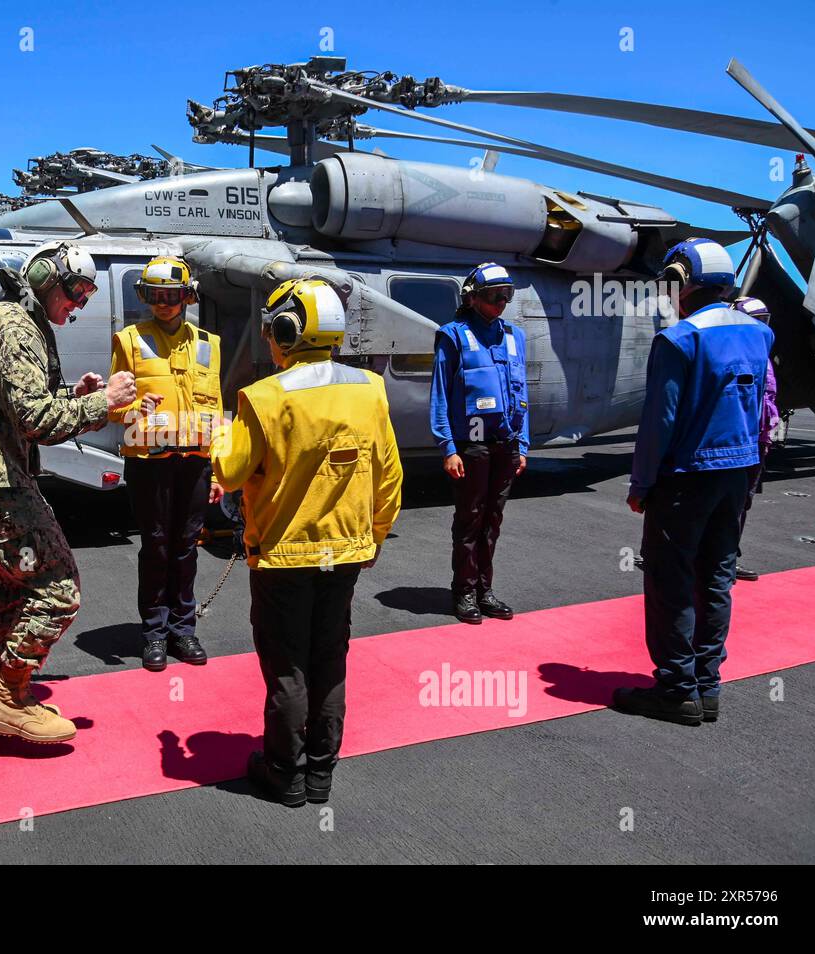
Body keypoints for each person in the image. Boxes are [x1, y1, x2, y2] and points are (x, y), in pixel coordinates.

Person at [212, 278, 402, 806]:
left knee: (287, 667)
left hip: (282, 557)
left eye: (273, 331)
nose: (270, 340)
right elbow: (388, 476)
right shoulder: (370, 389)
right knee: (329, 659)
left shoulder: (264, 397)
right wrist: (375, 535)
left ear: (290, 332)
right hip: (346, 553)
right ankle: (321, 771)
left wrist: (222, 430)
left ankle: (283, 772)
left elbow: (229, 473)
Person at [0, 242, 136, 744]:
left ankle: (0, 695)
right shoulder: (14, 326)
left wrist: (78, 395)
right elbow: (36, 420)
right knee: (56, 588)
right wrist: (104, 405)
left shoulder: (13, 321)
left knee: (10, 591)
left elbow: (20, 400)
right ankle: (9, 697)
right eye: (76, 293)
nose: (80, 305)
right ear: (47, 279)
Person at [616, 239, 773, 726]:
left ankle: (676, 690)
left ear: (684, 282)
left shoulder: (679, 339)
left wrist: (641, 484)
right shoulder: (758, 333)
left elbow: (658, 422)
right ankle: (707, 686)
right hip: (738, 475)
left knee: (671, 582)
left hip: (686, 479)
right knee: (717, 579)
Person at [109, 256, 222, 671]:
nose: (163, 303)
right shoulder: (129, 340)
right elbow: (113, 408)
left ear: (186, 297)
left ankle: (183, 630)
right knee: (156, 545)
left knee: (186, 547)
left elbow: (218, 409)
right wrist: (137, 405)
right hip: (150, 463)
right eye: (154, 295)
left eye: (171, 296)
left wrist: (219, 470)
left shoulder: (210, 344)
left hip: (195, 464)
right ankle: (154, 633)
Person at [429, 263, 529, 624]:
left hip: (506, 442)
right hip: (471, 442)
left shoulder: (516, 336)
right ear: (472, 298)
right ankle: (464, 592)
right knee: (469, 520)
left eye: (507, 295)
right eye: (493, 296)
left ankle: (485, 590)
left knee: (493, 520)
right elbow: (441, 395)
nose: (501, 302)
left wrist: (524, 445)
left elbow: (522, 393)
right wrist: (448, 448)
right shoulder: (453, 336)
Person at [729, 296, 780, 582]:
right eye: (755, 321)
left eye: (764, 321)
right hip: (738, 442)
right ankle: (717, 560)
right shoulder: (736, 356)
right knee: (728, 501)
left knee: (742, 502)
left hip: (759, 442)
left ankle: (728, 557)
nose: (761, 327)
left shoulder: (764, 357)